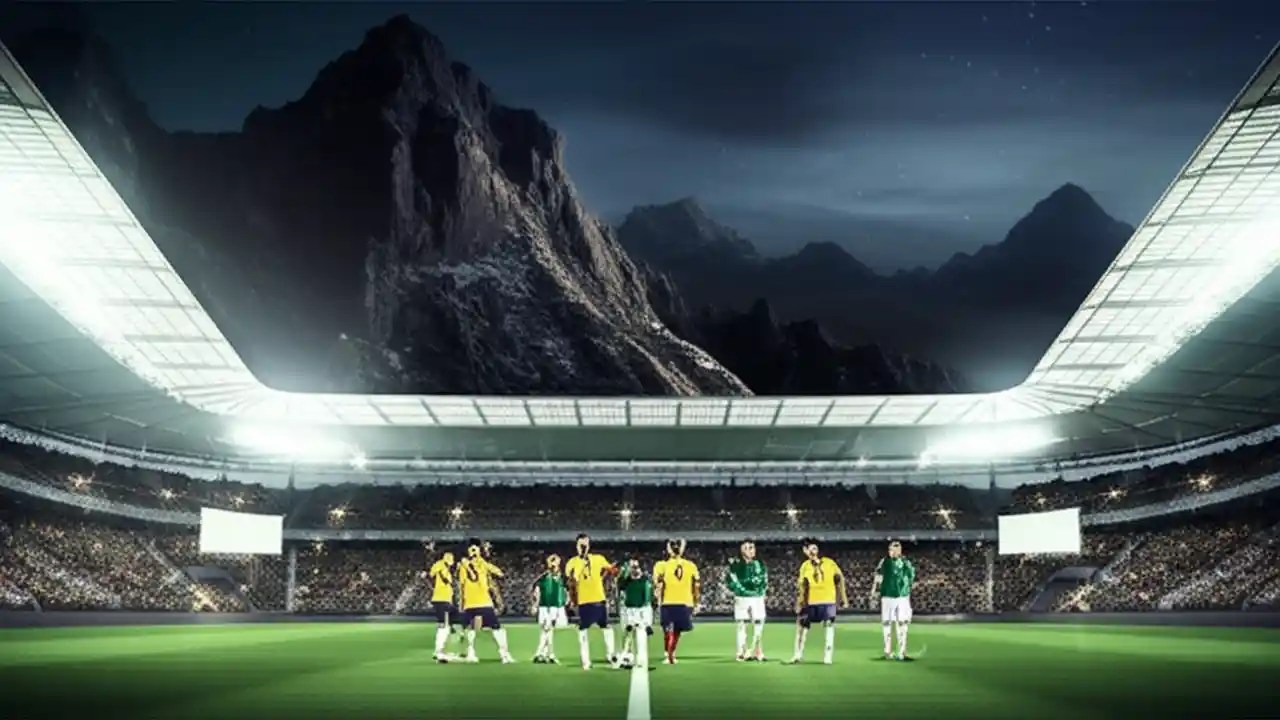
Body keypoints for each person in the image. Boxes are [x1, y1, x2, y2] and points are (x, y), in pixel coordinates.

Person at [789, 538, 848, 665]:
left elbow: (840, 579)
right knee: (801, 626)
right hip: (811, 601)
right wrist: (799, 602)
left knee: (829, 626)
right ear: (805, 551)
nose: (812, 551)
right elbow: (802, 586)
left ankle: (827, 656)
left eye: (814, 548)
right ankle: (797, 654)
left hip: (828, 600)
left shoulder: (829, 563)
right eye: (809, 548)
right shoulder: (805, 566)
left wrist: (843, 598)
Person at [565, 533, 620, 670]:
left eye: (585, 544)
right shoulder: (572, 562)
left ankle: (611, 655)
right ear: (576, 546)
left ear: (589, 545)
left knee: (606, 628)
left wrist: (613, 569)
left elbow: (611, 570)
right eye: (581, 545)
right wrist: (573, 599)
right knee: (583, 630)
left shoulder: (598, 558)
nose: (583, 547)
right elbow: (571, 580)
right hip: (584, 601)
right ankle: (586, 661)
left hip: (599, 599)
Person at [457, 540, 515, 664]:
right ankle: (504, 654)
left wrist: (461, 603)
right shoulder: (482, 564)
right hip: (483, 602)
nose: (474, 551)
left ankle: (471, 653)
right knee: (496, 628)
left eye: (475, 548)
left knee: (472, 629)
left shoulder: (463, 566)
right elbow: (500, 573)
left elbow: (461, 585)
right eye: (473, 549)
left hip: (471, 603)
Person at [653, 538, 699, 665]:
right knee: (677, 630)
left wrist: (657, 599)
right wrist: (696, 602)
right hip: (686, 602)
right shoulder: (691, 565)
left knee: (667, 629)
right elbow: (696, 586)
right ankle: (671, 653)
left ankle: (668, 653)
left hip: (668, 601)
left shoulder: (661, 565)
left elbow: (658, 584)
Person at [873, 541, 916, 661]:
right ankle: (887, 652)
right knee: (886, 623)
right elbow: (878, 575)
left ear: (900, 551)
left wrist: (906, 588)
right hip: (887, 596)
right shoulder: (885, 561)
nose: (891, 552)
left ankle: (902, 652)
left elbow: (911, 575)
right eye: (890, 549)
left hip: (902, 596)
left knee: (902, 623)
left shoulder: (905, 562)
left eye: (894, 549)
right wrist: (875, 591)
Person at [726, 539, 768, 661]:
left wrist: (760, 590)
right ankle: (741, 652)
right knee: (741, 625)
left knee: (759, 624)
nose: (750, 550)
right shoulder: (735, 564)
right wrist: (743, 589)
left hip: (757, 597)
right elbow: (732, 581)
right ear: (741, 550)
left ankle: (757, 651)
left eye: (752, 548)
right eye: (747, 548)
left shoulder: (760, 564)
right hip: (742, 598)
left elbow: (763, 580)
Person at [617, 558, 655, 666]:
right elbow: (619, 585)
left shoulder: (644, 580)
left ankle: (641, 659)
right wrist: (623, 572)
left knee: (641, 635)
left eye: (635, 567)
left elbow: (647, 600)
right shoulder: (626, 581)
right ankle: (627, 657)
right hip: (629, 611)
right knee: (628, 635)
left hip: (641, 610)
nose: (634, 569)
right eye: (632, 567)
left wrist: (647, 621)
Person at [530, 553, 567, 664]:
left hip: (556, 607)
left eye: (555, 562)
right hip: (545, 606)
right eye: (551, 562)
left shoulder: (562, 577)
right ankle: (546, 654)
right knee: (546, 630)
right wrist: (535, 605)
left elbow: (566, 590)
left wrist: (566, 601)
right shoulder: (544, 576)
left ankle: (543, 654)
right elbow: (536, 590)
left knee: (548, 630)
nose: (553, 564)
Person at [427, 550, 460, 662]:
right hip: (441, 600)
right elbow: (431, 574)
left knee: (449, 623)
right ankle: (439, 651)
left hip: (446, 600)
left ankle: (441, 649)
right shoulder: (440, 565)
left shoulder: (445, 568)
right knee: (444, 626)